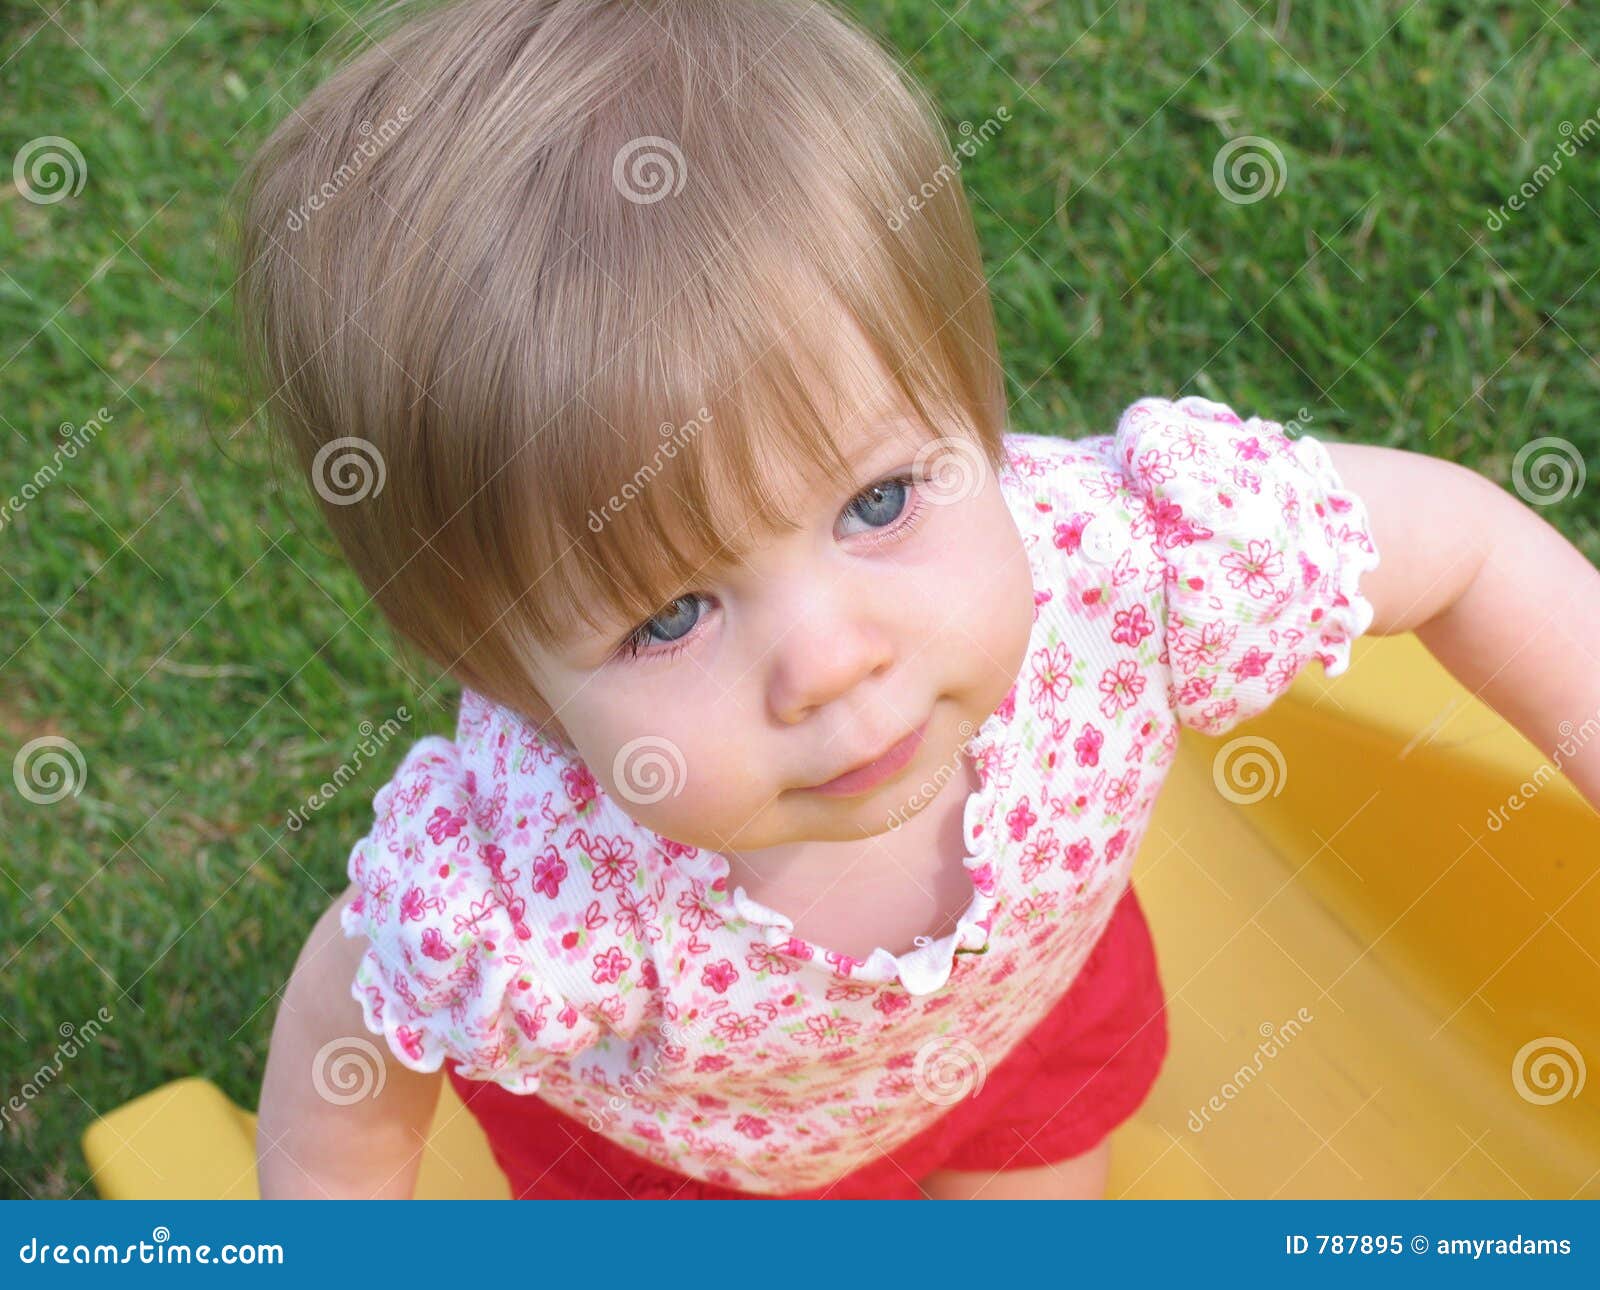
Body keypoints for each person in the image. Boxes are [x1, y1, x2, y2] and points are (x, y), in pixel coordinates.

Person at [240, 0, 1600, 1200]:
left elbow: (1468, 549)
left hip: (1027, 1035)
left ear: (972, 403)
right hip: (696, 1166)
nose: (830, 661)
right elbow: (343, 1059)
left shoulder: (1134, 564)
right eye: (669, 617)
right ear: (507, 678)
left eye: (879, 501)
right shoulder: (535, 883)